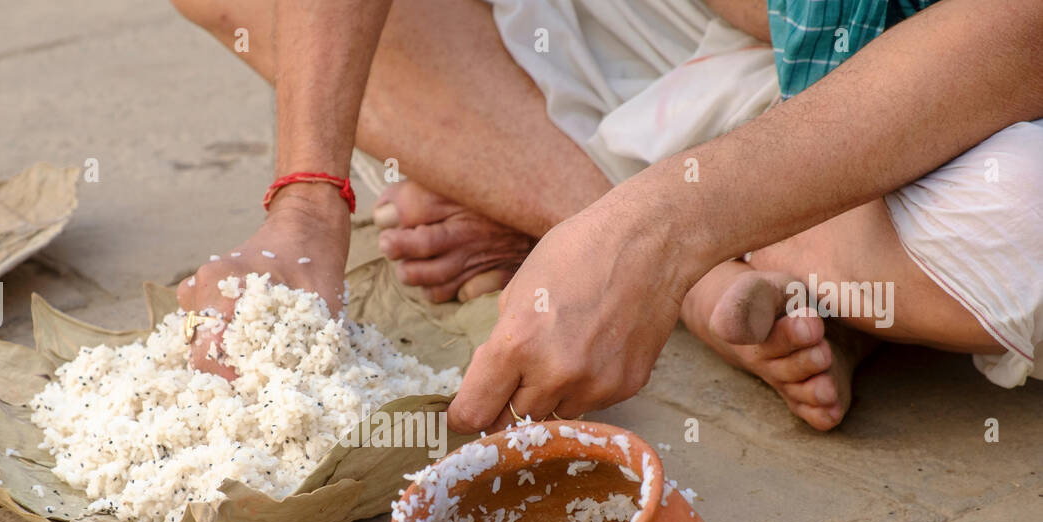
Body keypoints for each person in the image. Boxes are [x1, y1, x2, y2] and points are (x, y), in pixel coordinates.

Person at [171, 0, 1043, 432]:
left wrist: (660, 231)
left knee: (1019, 215)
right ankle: (679, 266)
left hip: (950, 81)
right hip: (669, 28)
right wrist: (309, 198)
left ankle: (602, 222)